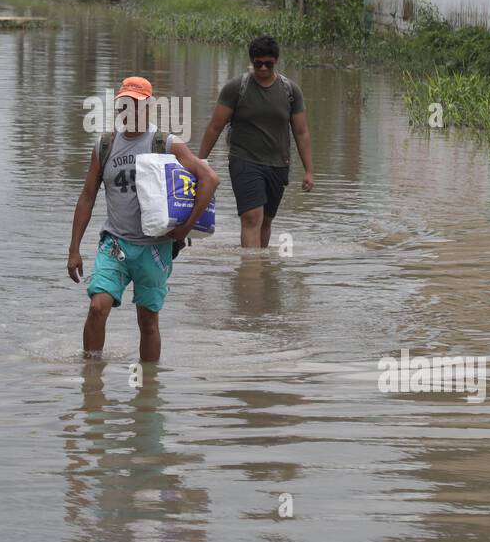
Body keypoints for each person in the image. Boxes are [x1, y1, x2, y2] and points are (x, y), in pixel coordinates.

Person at [68, 77, 219, 363]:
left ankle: (148, 392)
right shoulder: (105, 145)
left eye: (136, 105)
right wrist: (74, 249)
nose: (129, 111)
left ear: (149, 107)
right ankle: (90, 379)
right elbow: (87, 197)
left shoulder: (166, 144)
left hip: (155, 247)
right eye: (123, 104)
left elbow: (210, 179)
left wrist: (185, 229)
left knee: (147, 322)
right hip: (115, 243)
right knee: (98, 307)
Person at [198, 35, 313, 248]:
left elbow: (301, 132)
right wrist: (200, 162)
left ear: (276, 61)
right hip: (244, 160)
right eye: (257, 64)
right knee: (252, 217)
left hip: (278, 164)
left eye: (267, 64)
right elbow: (215, 126)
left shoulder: (290, 91)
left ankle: (261, 271)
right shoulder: (236, 88)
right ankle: (250, 274)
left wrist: (308, 171)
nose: (262, 69)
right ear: (252, 61)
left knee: (266, 221)